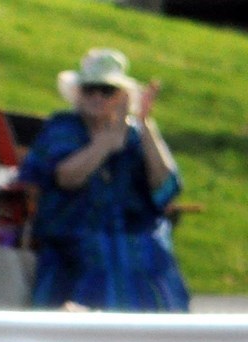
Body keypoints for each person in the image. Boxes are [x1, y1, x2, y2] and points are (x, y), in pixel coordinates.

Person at [19, 48, 188, 312]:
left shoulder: (137, 133)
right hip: (72, 234)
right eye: (90, 89)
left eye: (107, 90)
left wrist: (145, 125)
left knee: (148, 252)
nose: (97, 96)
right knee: (99, 254)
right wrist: (107, 142)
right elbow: (66, 177)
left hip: (134, 235)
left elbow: (167, 187)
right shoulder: (62, 128)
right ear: (78, 92)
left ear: (122, 96)